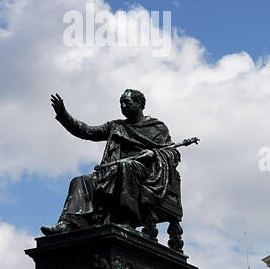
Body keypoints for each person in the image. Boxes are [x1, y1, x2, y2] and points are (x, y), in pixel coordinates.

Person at [42, 89, 184, 243]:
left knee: (128, 167)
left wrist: (153, 154)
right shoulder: (116, 126)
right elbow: (87, 131)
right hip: (112, 171)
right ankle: (70, 222)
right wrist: (64, 114)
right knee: (81, 180)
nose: (123, 106)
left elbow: (173, 153)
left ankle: (127, 219)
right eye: (121, 103)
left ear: (139, 104)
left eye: (127, 102)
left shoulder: (157, 127)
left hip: (144, 171)